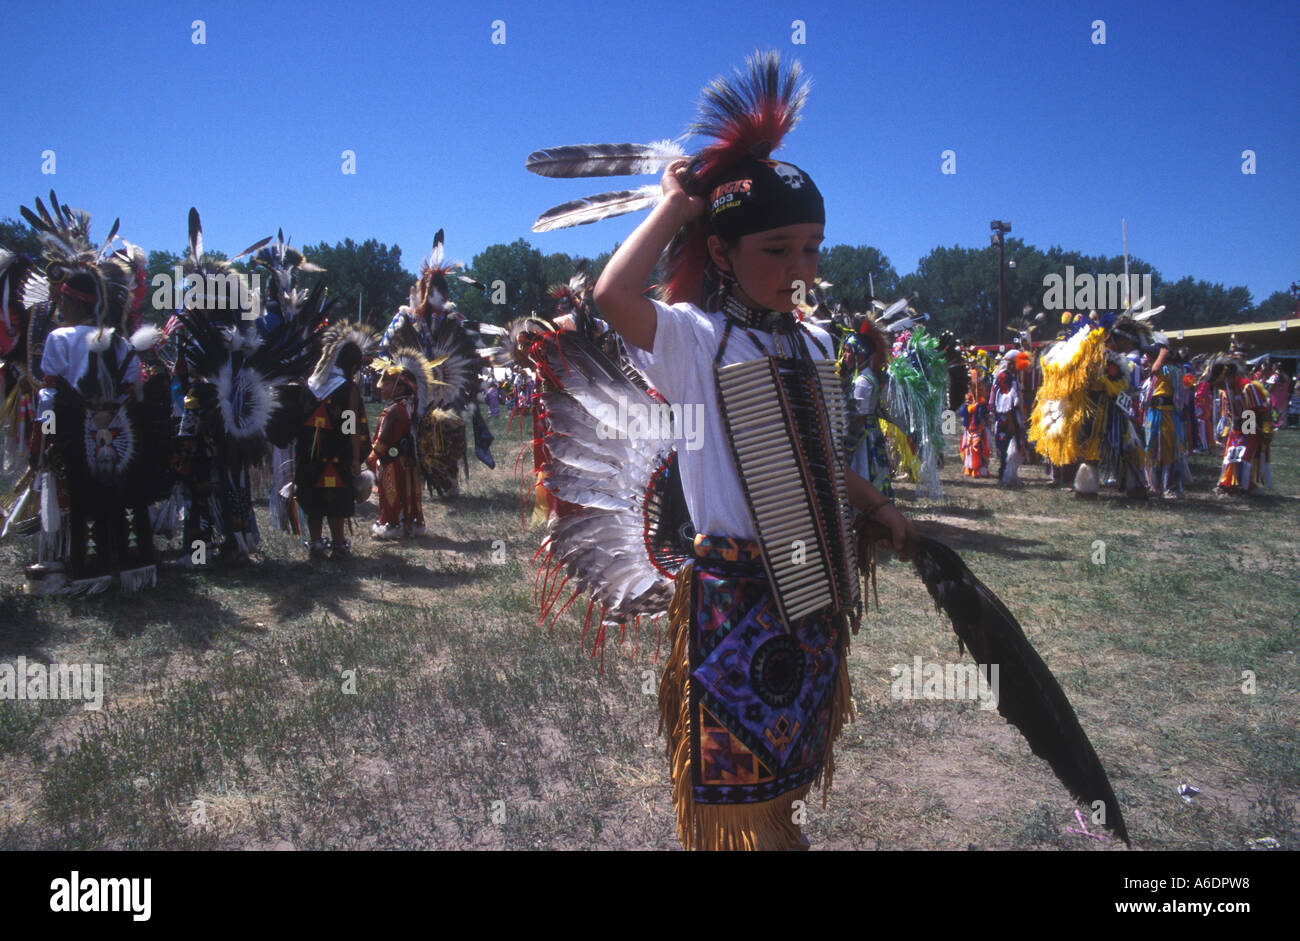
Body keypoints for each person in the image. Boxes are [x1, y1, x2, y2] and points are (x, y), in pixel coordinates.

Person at [591, 54, 915, 851]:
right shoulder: (700, 342)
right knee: (733, 795)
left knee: (788, 782)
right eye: (778, 249)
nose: (800, 270)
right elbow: (612, 298)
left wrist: (873, 505)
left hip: (809, 587)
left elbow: (818, 465)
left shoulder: (812, 342)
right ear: (726, 253)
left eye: (812, 248)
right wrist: (674, 208)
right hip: (735, 596)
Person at [293, 327, 371, 559]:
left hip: (308, 457)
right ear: (353, 367)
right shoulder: (348, 389)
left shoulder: (309, 384)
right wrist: (356, 459)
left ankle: (315, 543)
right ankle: (338, 544)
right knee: (336, 501)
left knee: (313, 500)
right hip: (337, 458)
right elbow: (351, 428)